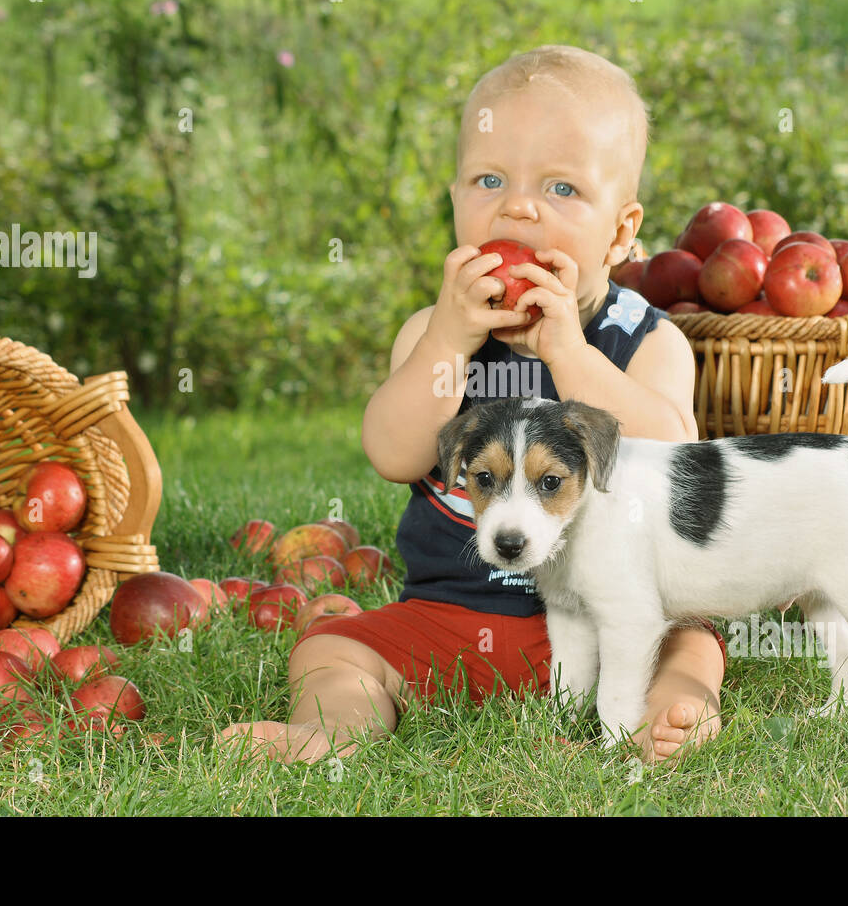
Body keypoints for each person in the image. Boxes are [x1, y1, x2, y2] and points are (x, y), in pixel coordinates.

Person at [218, 44, 725, 765]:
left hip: (614, 616)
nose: (517, 206)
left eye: (561, 190)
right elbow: (394, 453)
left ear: (619, 232)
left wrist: (569, 357)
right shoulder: (434, 334)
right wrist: (449, 344)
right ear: (456, 201)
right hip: (454, 616)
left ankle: (670, 719)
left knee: (691, 646)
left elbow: (675, 457)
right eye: (490, 179)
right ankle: (331, 730)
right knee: (331, 648)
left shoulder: (644, 340)